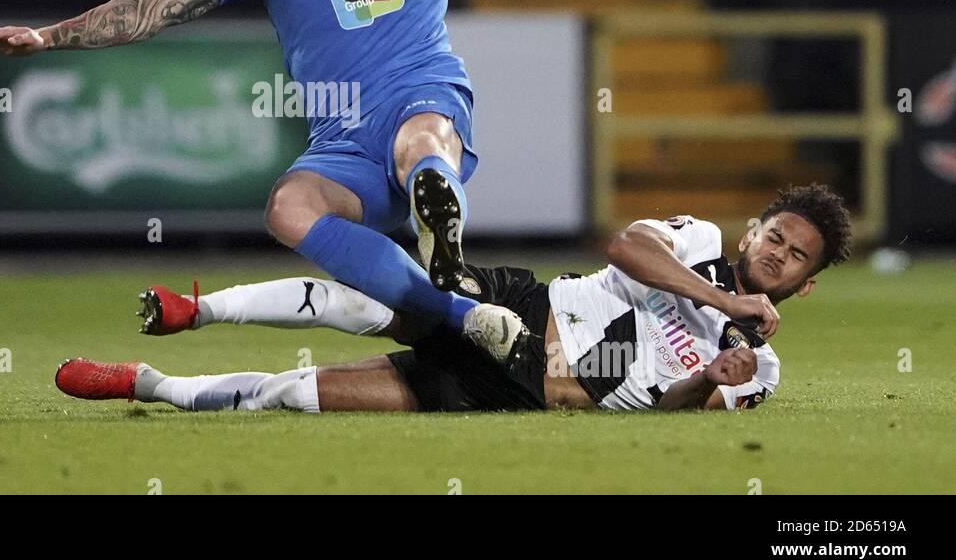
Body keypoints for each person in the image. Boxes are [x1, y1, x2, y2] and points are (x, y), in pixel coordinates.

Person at [0, 0, 719, 366]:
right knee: (288, 207)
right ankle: (460, 309)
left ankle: (441, 229)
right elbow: (157, 7)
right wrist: (48, 36)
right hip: (340, 133)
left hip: (424, 95)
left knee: (420, 143)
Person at [57, 184, 852, 413]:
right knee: (367, 297)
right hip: (532, 308)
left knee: (294, 394)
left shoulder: (759, 366)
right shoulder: (701, 240)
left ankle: (141, 382)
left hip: (524, 390)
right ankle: (201, 308)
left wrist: (709, 376)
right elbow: (625, 248)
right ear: (754, 229)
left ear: (806, 283)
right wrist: (722, 297)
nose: (775, 254)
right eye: (774, 235)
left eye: (793, 257)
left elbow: (681, 410)